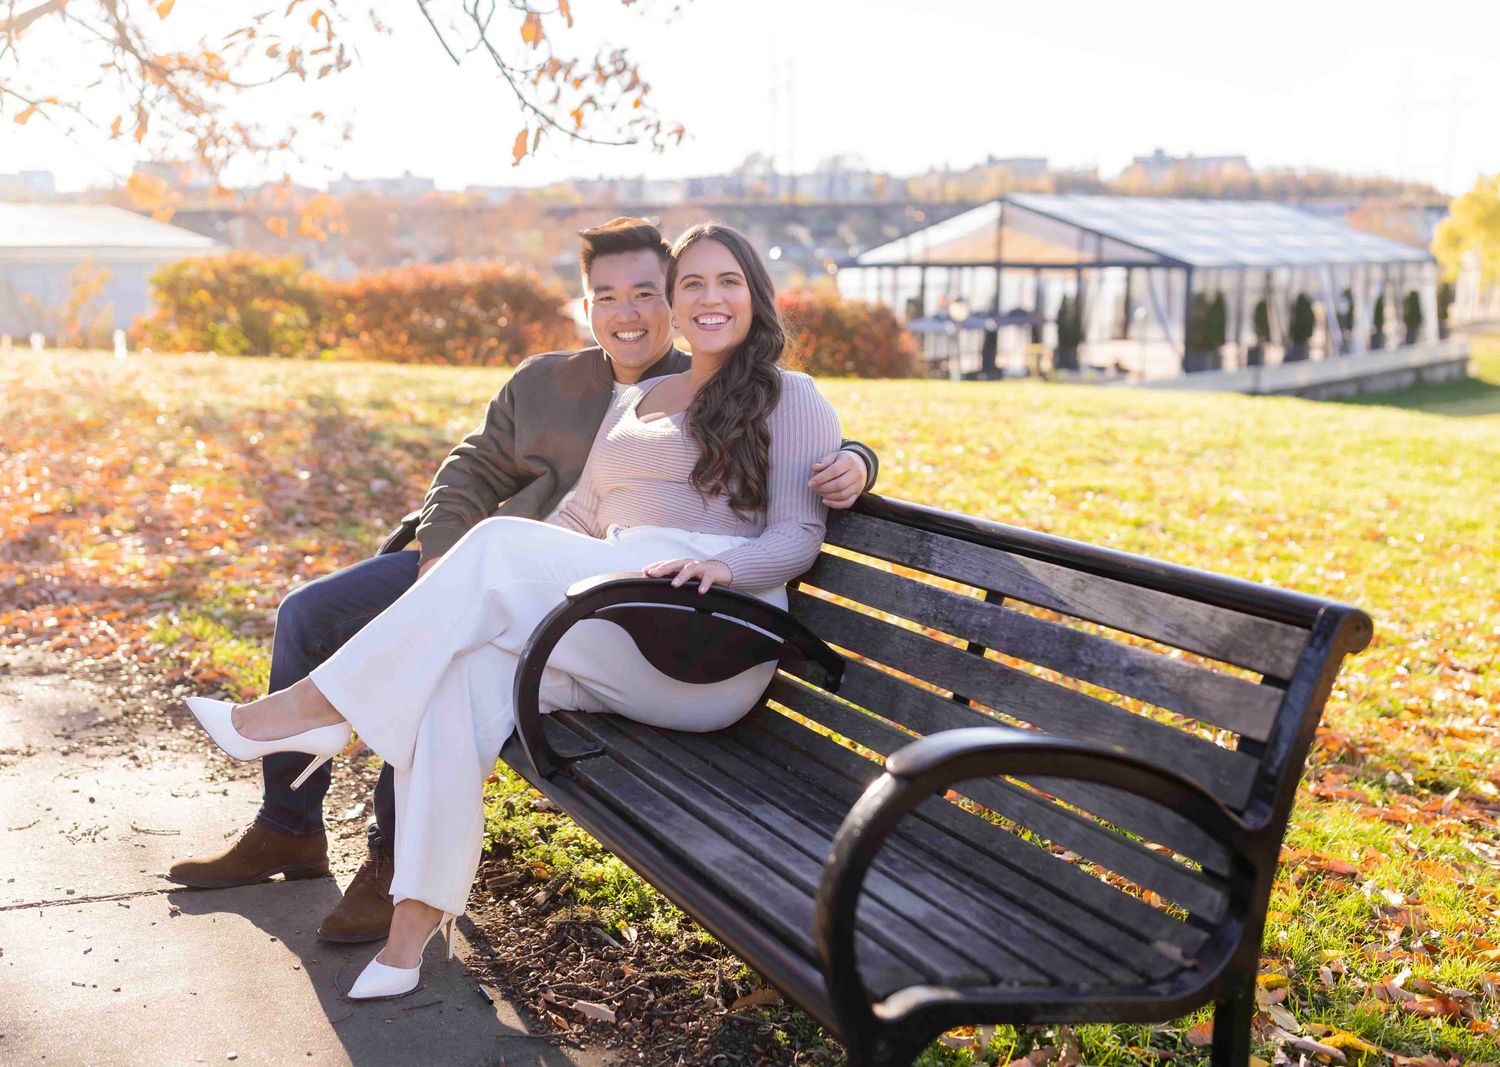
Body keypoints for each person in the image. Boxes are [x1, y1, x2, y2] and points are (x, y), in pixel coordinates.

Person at [165, 218, 879, 947]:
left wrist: (856, 460)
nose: (628, 312)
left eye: (645, 293)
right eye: (608, 296)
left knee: (453, 634)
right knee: (310, 613)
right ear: (588, 305)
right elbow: (472, 469)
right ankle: (292, 831)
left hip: (616, 606)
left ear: (670, 306)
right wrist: (443, 558)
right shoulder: (554, 382)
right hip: (487, 568)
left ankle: (372, 829)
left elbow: (793, 474)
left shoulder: (731, 388)